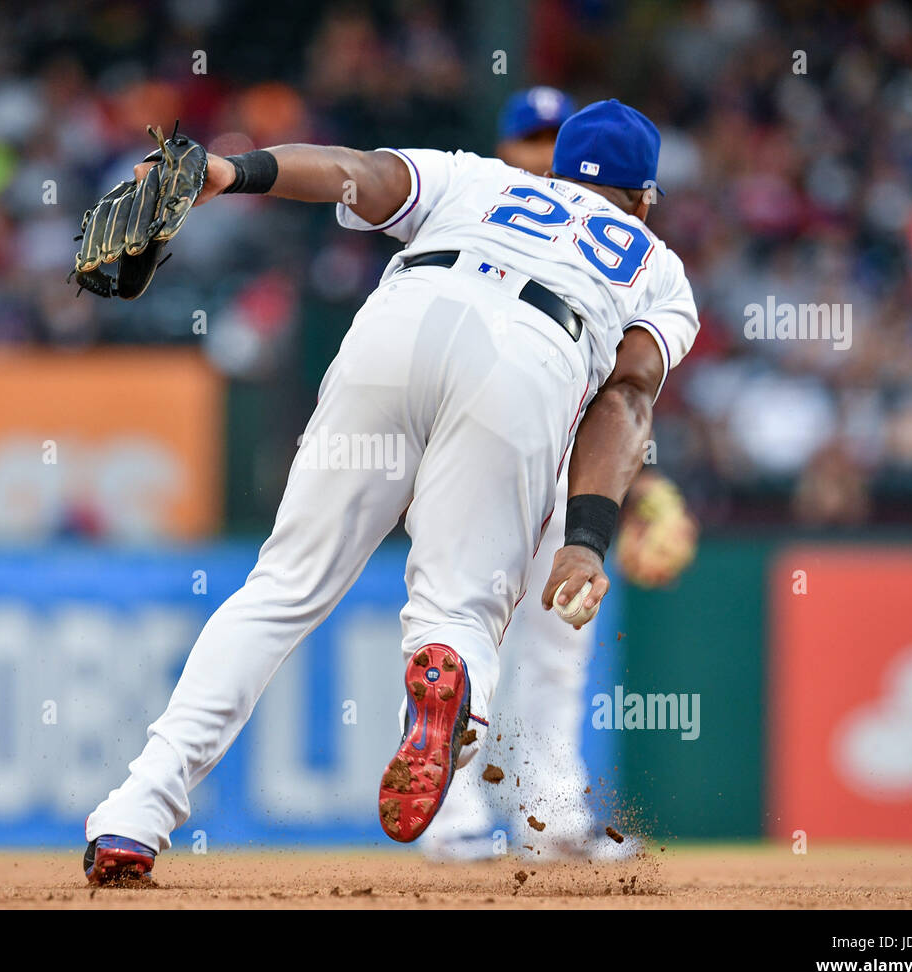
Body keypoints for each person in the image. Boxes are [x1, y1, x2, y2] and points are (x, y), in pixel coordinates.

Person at [83, 99, 699, 884]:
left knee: (282, 587)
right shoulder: (661, 271)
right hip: (535, 358)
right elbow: (625, 399)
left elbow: (356, 173)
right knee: (458, 614)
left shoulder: (484, 179)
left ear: (555, 168)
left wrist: (235, 171)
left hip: (401, 322)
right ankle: (448, 685)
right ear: (645, 198)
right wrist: (585, 539)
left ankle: (138, 811)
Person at [420, 88, 697, 862]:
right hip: (478, 455)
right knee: (460, 629)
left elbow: (621, 389)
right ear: (506, 151)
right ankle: (452, 814)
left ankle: (552, 817)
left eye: (552, 137)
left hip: (568, 475)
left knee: (559, 642)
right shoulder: (474, 211)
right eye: (528, 138)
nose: (540, 152)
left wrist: (631, 490)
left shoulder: (628, 256)